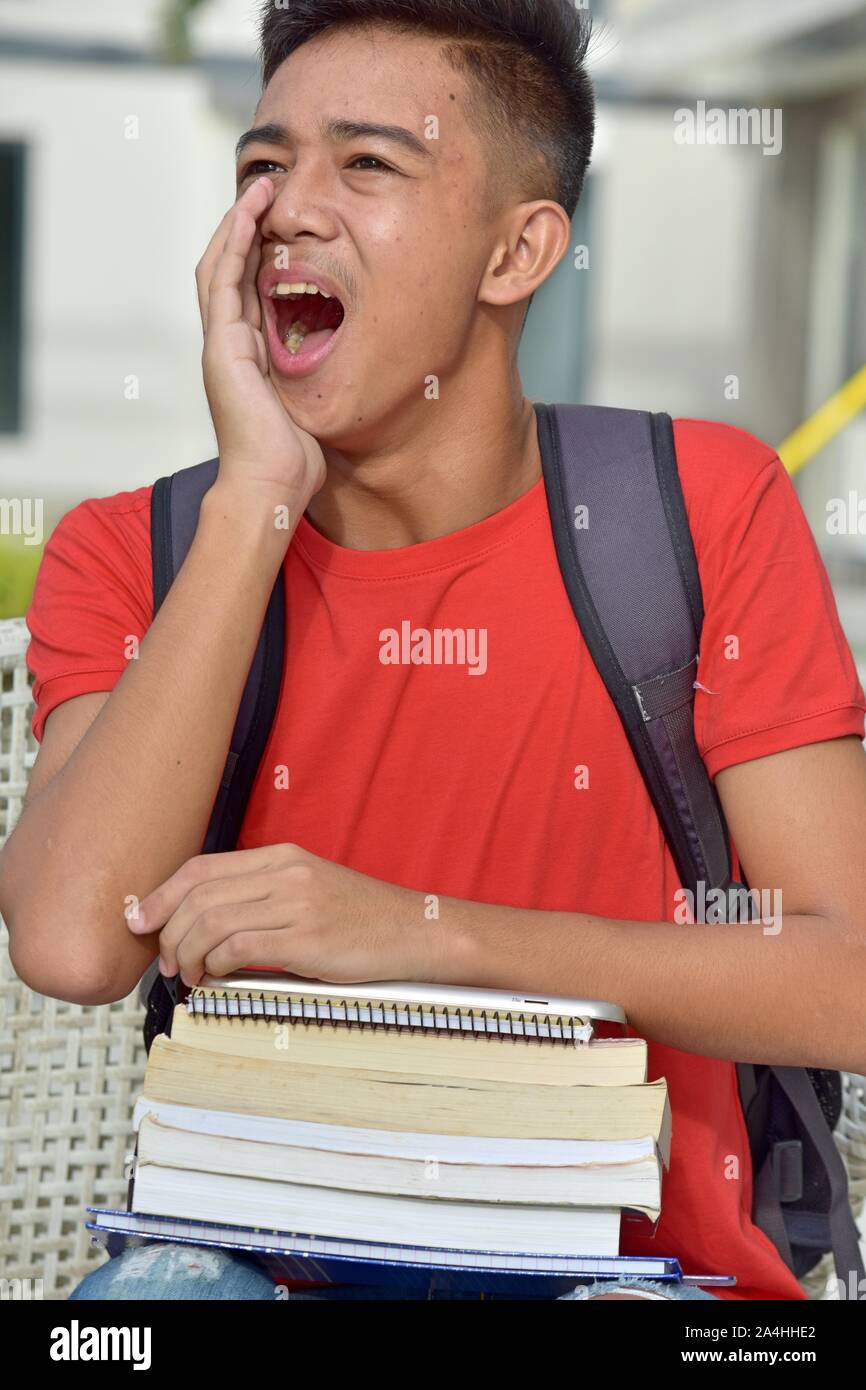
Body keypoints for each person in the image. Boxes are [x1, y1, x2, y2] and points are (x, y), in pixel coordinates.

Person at [2, 0, 865, 1303]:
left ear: (516, 251)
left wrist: (420, 933)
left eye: (366, 163)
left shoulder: (698, 509)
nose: (287, 207)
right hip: (252, 1267)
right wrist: (253, 500)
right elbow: (73, 943)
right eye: (262, 164)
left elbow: (845, 970)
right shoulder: (144, 549)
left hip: (640, 1269)